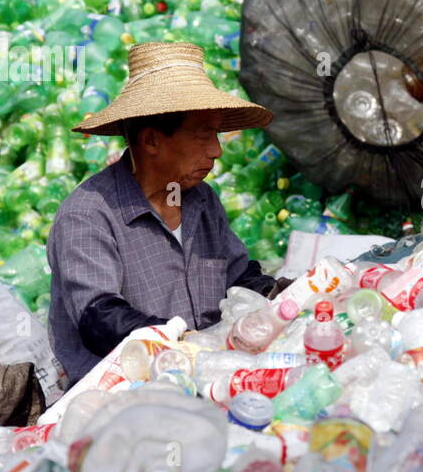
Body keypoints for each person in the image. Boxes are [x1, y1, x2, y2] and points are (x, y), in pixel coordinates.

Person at [46, 41, 291, 386]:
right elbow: (100, 319)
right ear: (151, 142)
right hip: (123, 397)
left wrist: (283, 298)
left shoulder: (200, 200)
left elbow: (238, 278)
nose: (217, 151)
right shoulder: (88, 214)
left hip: (206, 379)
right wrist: (187, 345)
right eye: (204, 136)